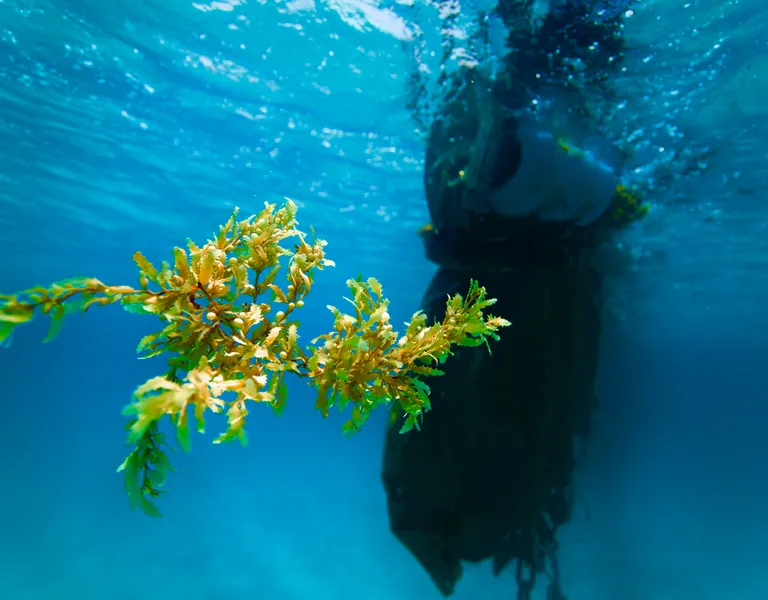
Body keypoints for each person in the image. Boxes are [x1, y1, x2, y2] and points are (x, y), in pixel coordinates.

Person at [381, 2, 645, 598]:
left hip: (512, 223)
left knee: (508, 92)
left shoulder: (495, 164)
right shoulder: (524, 165)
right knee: (531, 89)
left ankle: (518, 36)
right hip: (528, 230)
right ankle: (528, 35)